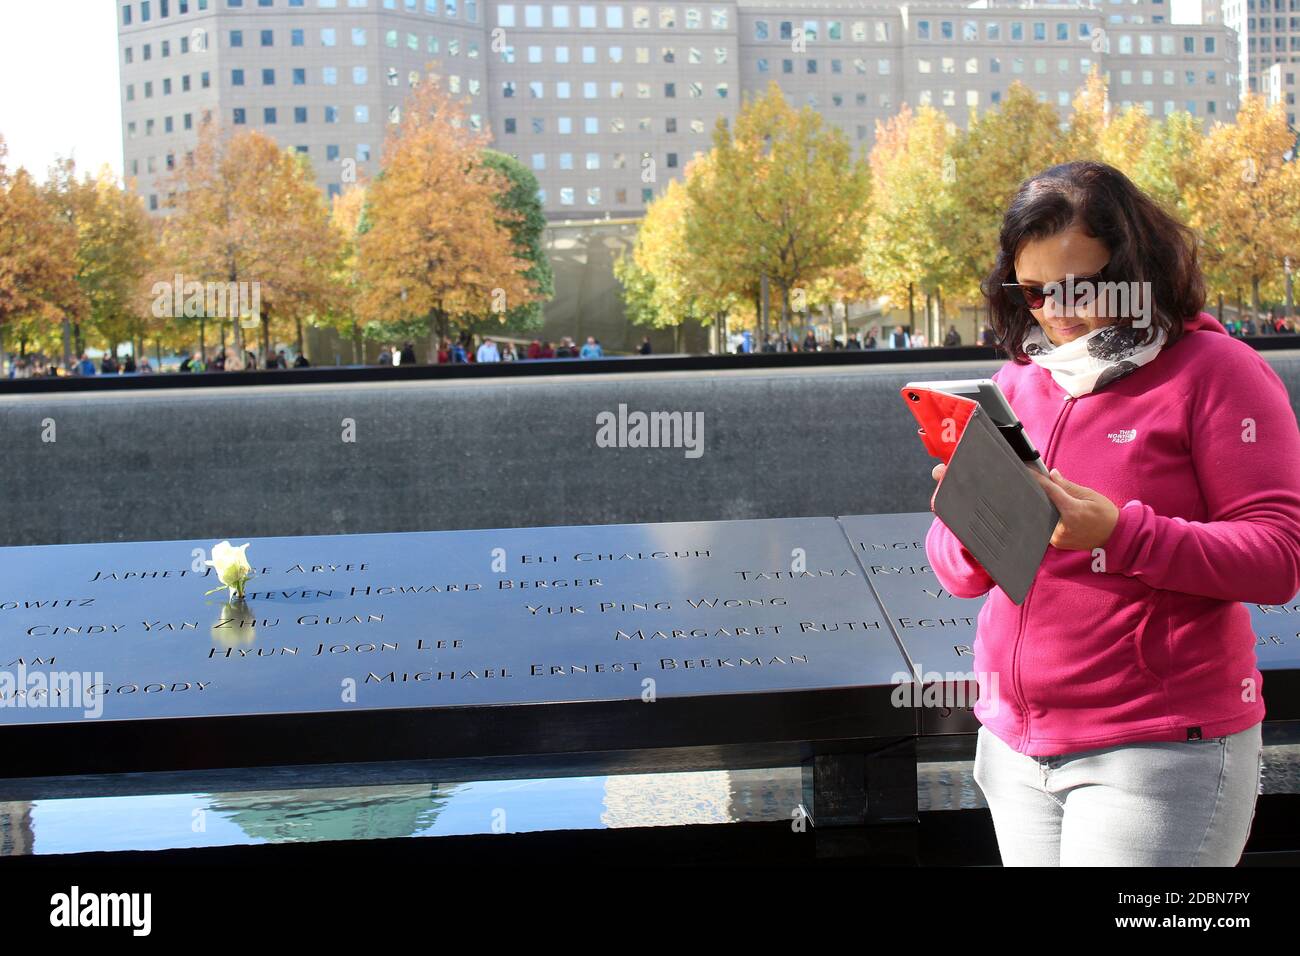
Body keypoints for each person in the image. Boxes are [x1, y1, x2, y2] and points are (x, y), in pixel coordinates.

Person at [926, 160, 1298, 866]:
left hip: (1156, 749)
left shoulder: (1218, 374)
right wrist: (970, 517)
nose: (1058, 313)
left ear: (1137, 270)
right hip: (1015, 747)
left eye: (1081, 287)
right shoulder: (1017, 382)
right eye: (1035, 291)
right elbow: (958, 574)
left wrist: (1122, 534)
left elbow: (1279, 558)